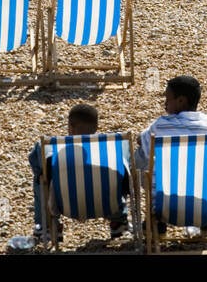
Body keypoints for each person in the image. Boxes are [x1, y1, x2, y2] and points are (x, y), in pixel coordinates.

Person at [19, 104, 129, 249]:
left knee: (40, 177)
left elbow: (34, 163)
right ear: (96, 127)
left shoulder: (51, 148)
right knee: (121, 175)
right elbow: (128, 180)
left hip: (66, 206)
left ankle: (46, 226)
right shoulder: (113, 149)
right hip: (108, 206)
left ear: (70, 126)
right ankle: (118, 221)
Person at [133, 75, 207, 236]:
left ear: (181, 101)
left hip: (166, 208)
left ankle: (156, 222)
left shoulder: (160, 126)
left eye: (167, 98)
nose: (165, 103)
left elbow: (140, 140)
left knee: (142, 156)